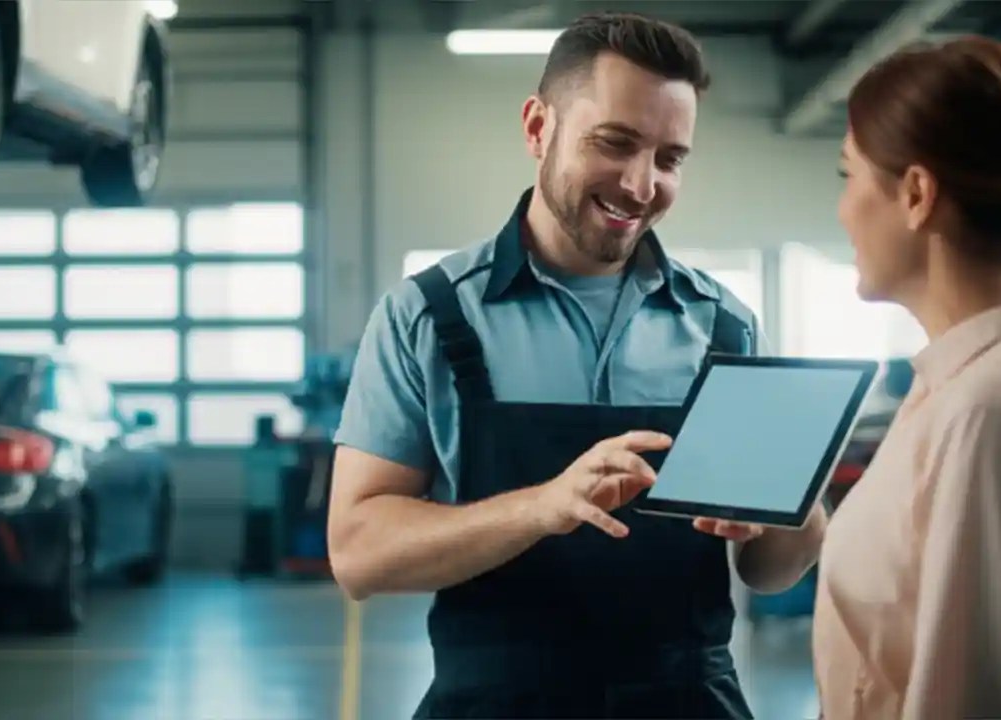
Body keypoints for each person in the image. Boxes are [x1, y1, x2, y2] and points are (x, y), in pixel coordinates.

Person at [328, 12, 825, 719]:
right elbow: (357, 553)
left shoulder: (724, 325)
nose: (641, 184)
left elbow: (768, 572)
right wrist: (539, 508)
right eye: (615, 143)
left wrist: (796, 518)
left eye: (670, 158)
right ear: (538, 127)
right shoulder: (429, 318)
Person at [814, 35, 1001, 719]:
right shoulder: (980, 385)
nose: (843, 211)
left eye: (849, 177)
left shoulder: (989, 409)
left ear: (915, 194)